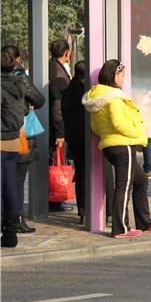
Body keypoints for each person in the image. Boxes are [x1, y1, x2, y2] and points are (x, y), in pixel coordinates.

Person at [82, 60, 151, 238]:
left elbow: (95, 127)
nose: (123, 79)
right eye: (121, 75)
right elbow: (119, 122)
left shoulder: (98, 97)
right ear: (114, 75)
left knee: (141, 180)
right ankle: (121, 228)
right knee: (124, 185)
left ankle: (144, 222)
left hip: (111, 145)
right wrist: (136, 132)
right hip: (123, 145)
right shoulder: (113, 98)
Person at [1, 46, 45, 248]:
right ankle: (11, 232)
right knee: (10, 186)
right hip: (14, 139)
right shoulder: (20, 83)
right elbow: (37, 100)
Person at [62, 61, 90, 223]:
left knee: (80, 173)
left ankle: (83, 211)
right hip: (88, 136)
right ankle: (99, 210)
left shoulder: (68, 90)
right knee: (96, 173)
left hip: (73, 137)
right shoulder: (89, 91)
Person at [48, 38, 71, 212]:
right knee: (55, 162)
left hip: (54, 125)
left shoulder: (52, 68)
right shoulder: (58, 74)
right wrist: (60, 133)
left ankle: (55, 199)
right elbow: (57, 106)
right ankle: (55, 199)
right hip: (56, 126)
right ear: (66, 52)